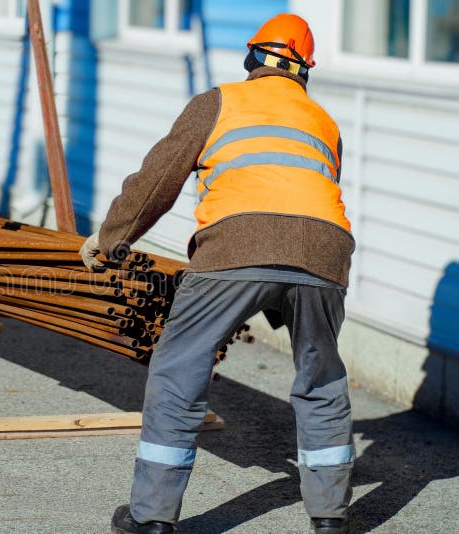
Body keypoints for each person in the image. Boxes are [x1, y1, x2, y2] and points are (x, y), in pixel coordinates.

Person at [79, 14, 355, 534]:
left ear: (253, 60)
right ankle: (330, 519)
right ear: (303, 72)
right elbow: (304, 200)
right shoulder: (324, 122)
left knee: (180, 366)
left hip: (234, 245)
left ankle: (153, 518)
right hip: (324, 254)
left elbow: (158, 177)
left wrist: (113, 236)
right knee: (320, 379)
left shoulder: (219, 101)